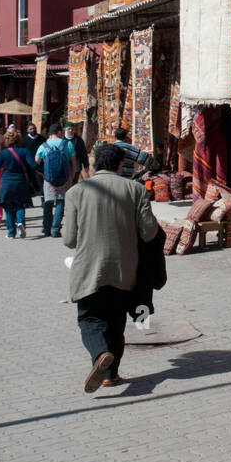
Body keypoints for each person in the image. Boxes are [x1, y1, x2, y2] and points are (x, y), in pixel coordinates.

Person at [63, 142, 160, 392]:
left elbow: (69, 239)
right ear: (120, 164)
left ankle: (100, 355)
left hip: (88, 270)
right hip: (124, 269)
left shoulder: (76, 192)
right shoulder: (135, 189)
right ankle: (110, 374)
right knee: (116, 322)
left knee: (90, 318)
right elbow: (149, 232)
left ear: (95, 164)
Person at [0, 128, 35, 240]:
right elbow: (33, 165)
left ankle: (11, 233)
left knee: (8, 208)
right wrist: (43, 171)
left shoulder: (3, 153)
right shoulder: (24, 151)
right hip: (20, 182)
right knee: (20, 205)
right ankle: (20, 222)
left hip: (6, 183)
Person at [35, 124, 75, 238]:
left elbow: (36, 162)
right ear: (58, 132)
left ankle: (46, 228)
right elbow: (74, 162)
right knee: (60, 202)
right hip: (64, 178)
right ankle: (56, 229)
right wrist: (71, 176)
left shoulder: (44, 145)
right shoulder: (67, 144)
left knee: (48, 203)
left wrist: (43, 174)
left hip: (49, 179)